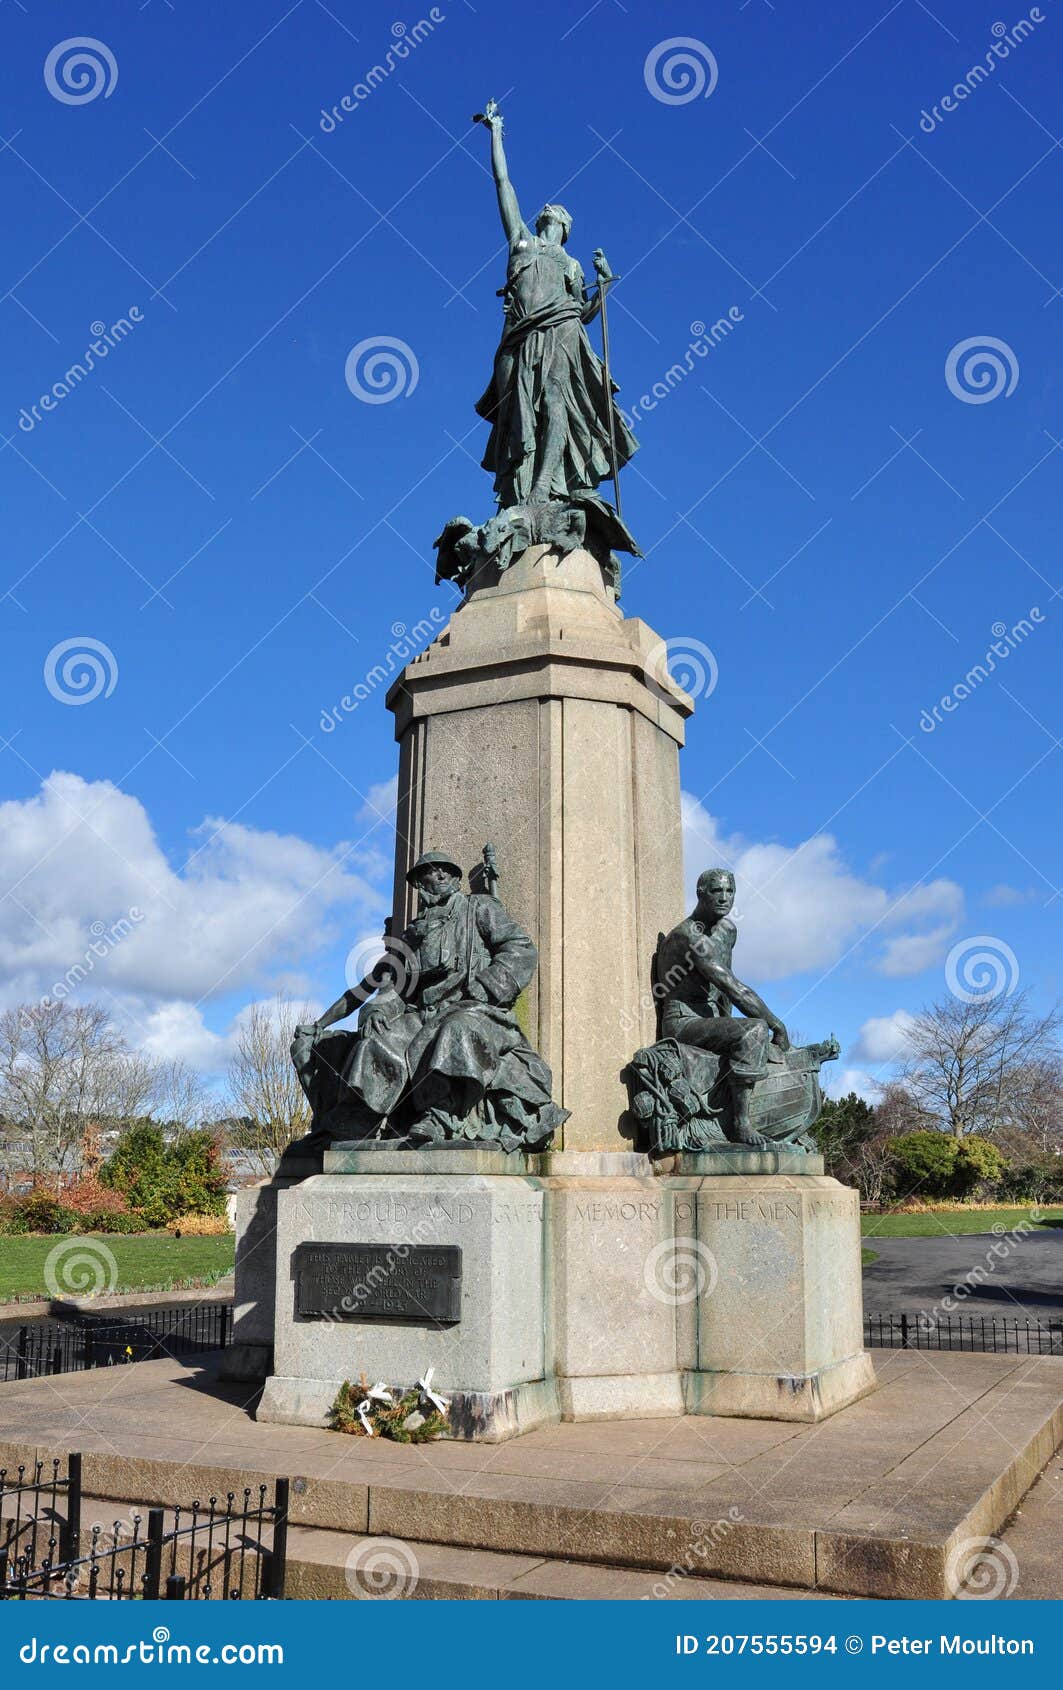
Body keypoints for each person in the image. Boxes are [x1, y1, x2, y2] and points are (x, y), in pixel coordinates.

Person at [289, 851, 566, 1155]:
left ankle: (441, 1116)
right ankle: (360, 1120)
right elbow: (393, 986)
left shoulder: (479, 909)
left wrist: (488, 984)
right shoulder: (413, 934)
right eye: (424, 878)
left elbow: (520, 949)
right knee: (377, 1043)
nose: (431, 881)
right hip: (422, 1015)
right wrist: (378, 1009)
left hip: (475, 1009)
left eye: (439, 875)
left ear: (454, 879)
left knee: (455, 1031)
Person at [474, 99, 637, 508]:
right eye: (549, 208)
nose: (550, 208)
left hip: (562, 331)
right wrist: (496, 133)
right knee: (515, 413)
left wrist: (601, 285)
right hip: (517, 339)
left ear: (565, 228)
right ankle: (517, 492)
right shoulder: (522, 242)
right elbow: (503, 183)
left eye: (559, 212)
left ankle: (545, 486)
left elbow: (580, 311)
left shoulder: (571, 262)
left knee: (556, 402)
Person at [656, 868, 790, 1145]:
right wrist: (776, 1025)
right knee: (754, 1030)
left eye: (730, 891)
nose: (725, 898)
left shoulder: (727, 930)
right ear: (700, 893)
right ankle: (740, 1126)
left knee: (749, 1033)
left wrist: (730, 1025)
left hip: (711, 1018)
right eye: (717, 891)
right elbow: (733, 987)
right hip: (684, 1022)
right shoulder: (689, 937)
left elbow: (724, 993)